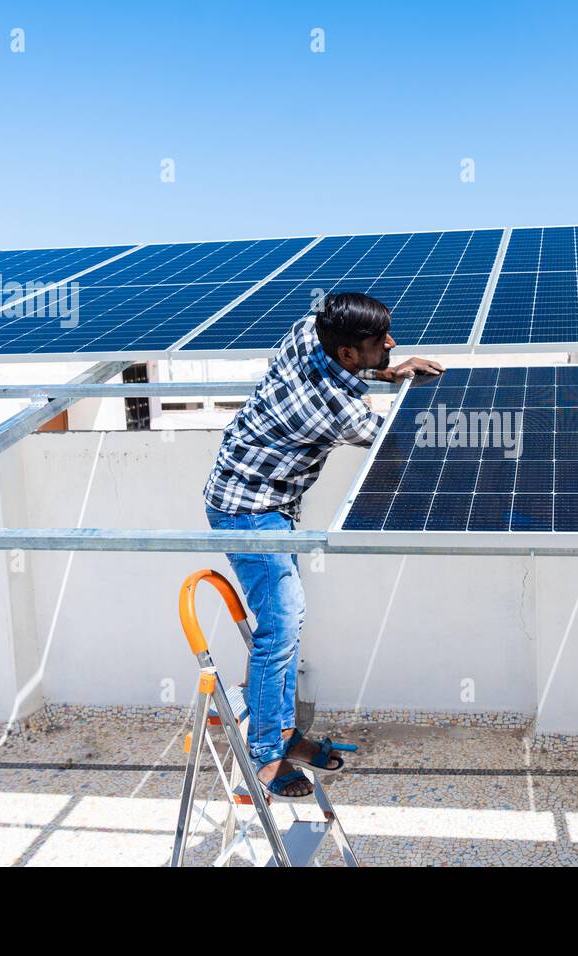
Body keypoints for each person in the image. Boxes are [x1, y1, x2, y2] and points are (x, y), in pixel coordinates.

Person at [203, 292, 443, 800]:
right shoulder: (337, 413)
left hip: (255, 496)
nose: (393, 344)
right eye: (380, 343)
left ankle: (286, 734)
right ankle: (266, 756)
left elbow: (343, 365)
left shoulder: (307, 331)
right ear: (348, 354)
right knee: (281, 627)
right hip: (248, 513)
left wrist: (390, 370)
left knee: (285, 624)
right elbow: (396, 441)